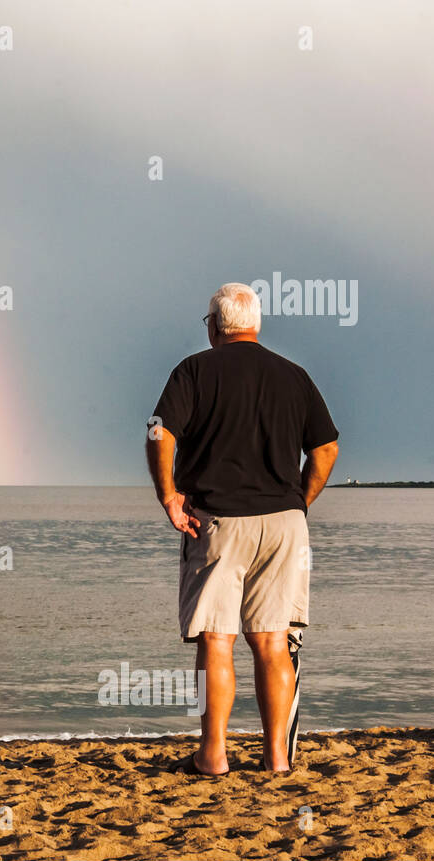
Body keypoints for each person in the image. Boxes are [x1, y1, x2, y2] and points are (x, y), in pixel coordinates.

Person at [146, 282, 339, 775]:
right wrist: (299, 501)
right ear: (256, 324)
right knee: (273, 641)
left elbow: (159, 432)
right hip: (283, 525)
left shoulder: (194, 370)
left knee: (216, 638)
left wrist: (169, 496)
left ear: (214, 325)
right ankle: (277, 759)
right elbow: (326, 448)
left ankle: (213, 756)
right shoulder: (293, 375)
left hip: (216, 520)